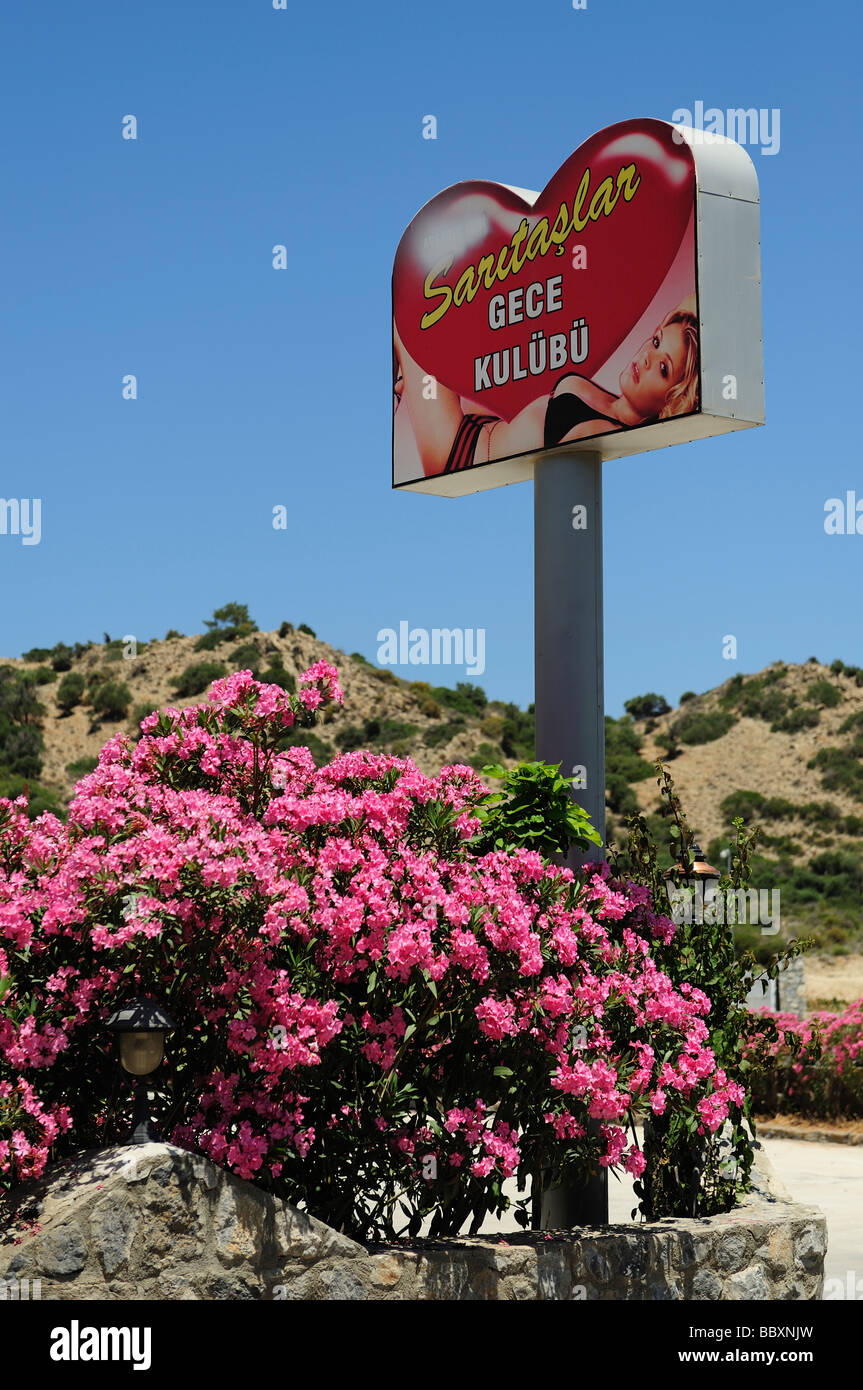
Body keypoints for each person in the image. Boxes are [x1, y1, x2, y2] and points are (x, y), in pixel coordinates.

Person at [393, 297, 699, 478]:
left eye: (663, 368)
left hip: (457, 451)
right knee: (440, 335)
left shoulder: (602, 434)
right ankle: (408, 383)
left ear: (673, 400)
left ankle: (406, 382)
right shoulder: (607, 401)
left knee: (410, 317)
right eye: (657, 341)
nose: (647, 357)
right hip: (477, 424)